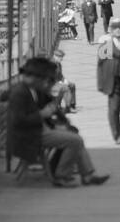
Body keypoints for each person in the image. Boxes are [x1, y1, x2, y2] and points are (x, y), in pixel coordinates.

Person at [7, 57, 108, 186]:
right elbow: (18, 121)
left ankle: (88, 175)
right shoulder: (19, 93)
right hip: (29, 135)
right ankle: (62, 176)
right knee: (75, 140)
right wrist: (42, 114)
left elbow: (49, 101)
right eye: (43, 80)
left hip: (39, 129)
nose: (46, 83)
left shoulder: (32, 89)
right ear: (35, 78)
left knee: (75, 137)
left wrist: (60, 116)